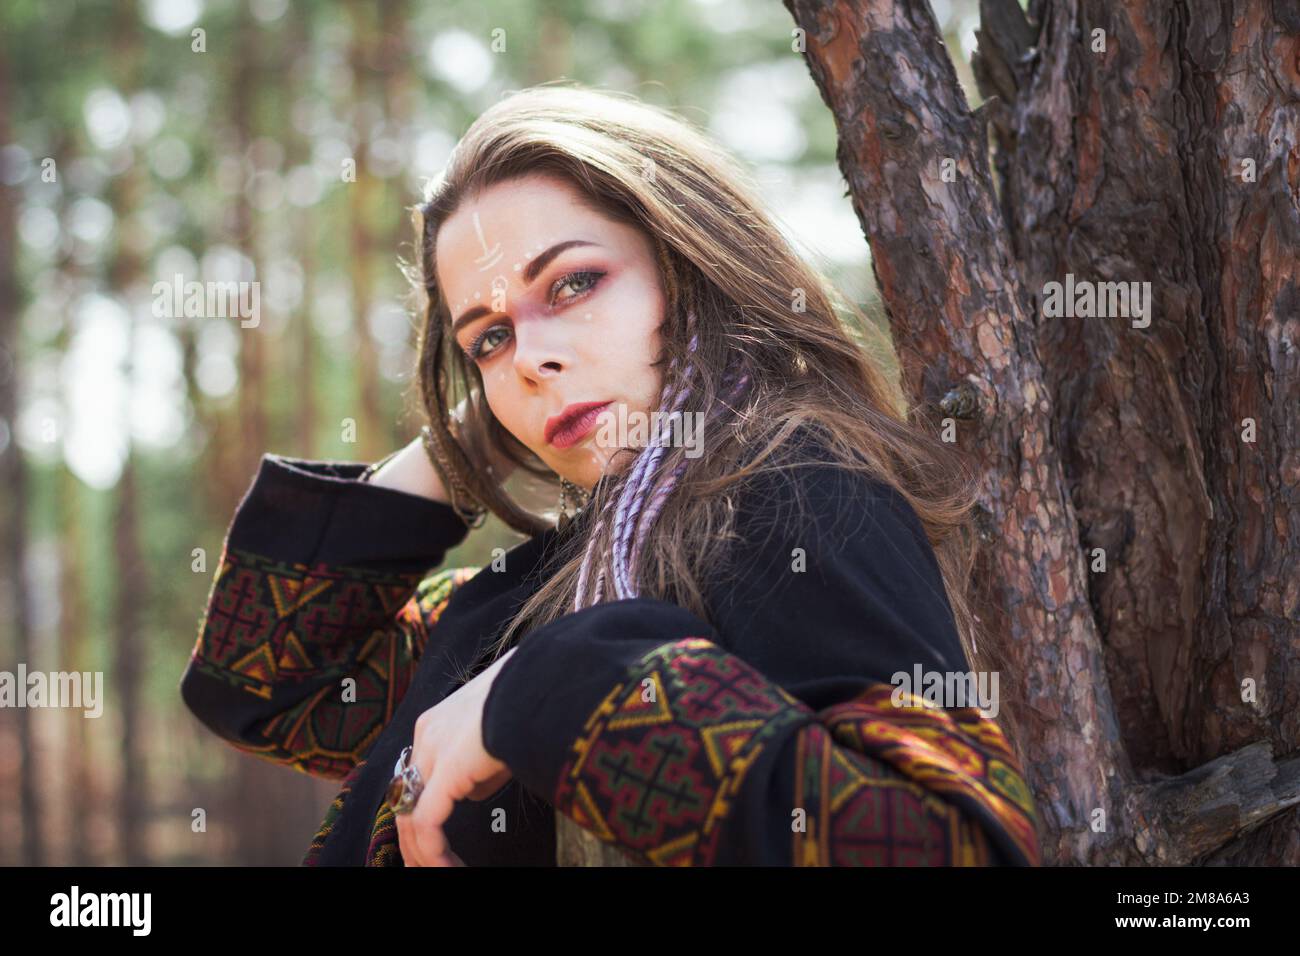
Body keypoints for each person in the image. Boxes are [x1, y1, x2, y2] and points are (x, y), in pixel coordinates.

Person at [180, 84, 1043, 867]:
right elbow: (264, 687)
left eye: (571, 284)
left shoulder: (799, 497)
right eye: (486, 337)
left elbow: (951, 846)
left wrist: (548, 691)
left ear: (690, 264)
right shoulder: (540, 587)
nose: (528, 360)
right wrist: (477, 439)